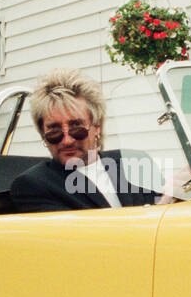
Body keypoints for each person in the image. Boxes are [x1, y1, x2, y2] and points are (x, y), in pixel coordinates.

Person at [10, 68, 166, 212]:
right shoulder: (34, 185)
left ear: (96, 126)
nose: (67, 140)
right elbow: (81, 237)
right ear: (43, 134)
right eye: (54, 132)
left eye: (76, 128)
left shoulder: (134, 161)